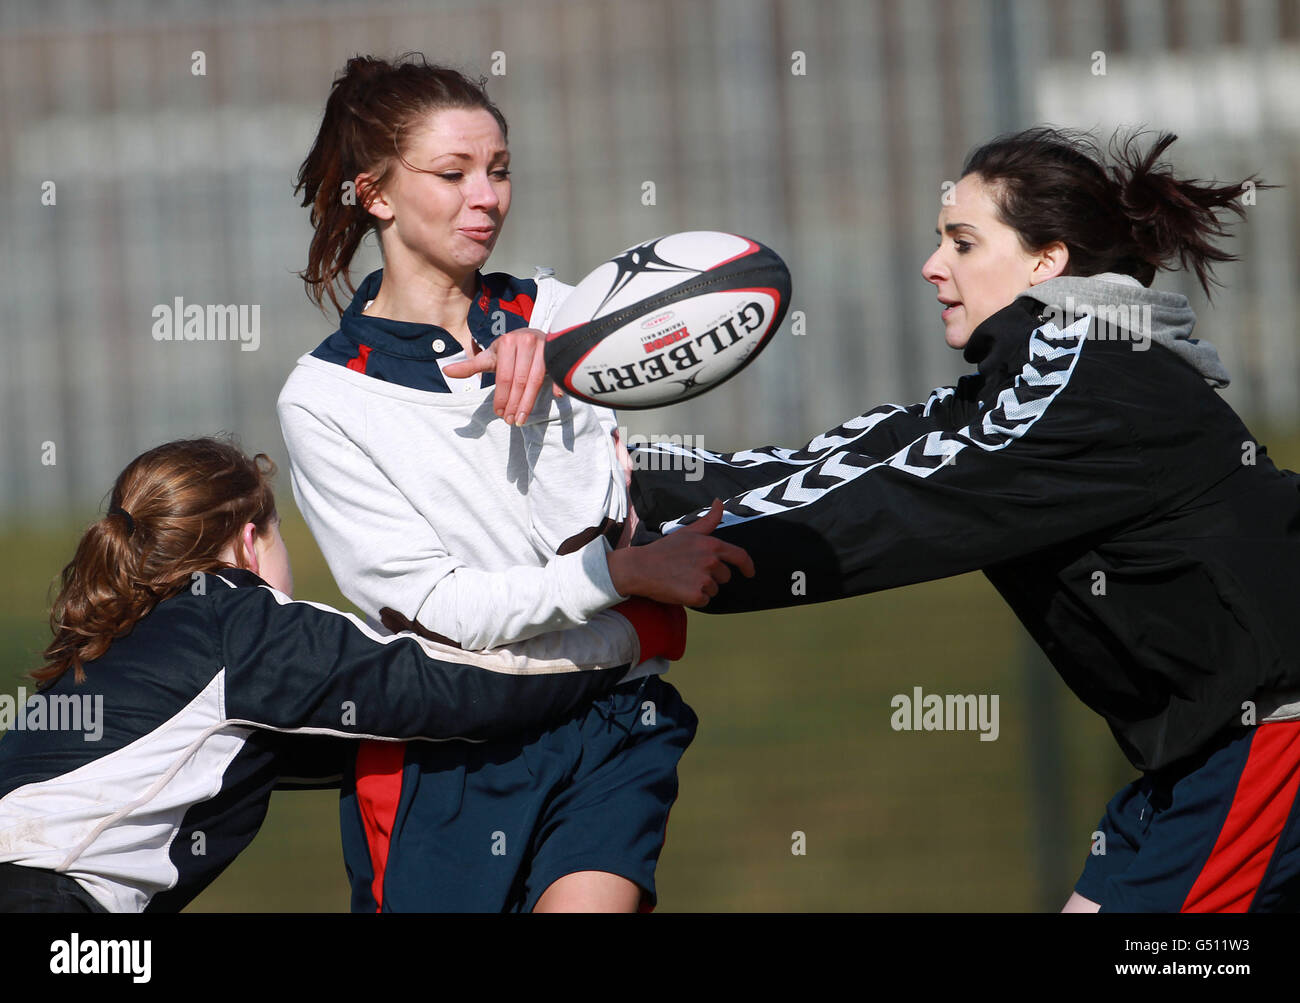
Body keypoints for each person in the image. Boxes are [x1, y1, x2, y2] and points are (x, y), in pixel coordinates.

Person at [563, 127, 1299, 913]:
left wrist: (688, 555)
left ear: (1046, 261)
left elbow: (888, 510)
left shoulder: (1090, 384)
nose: (931, 264)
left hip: (1270, 739)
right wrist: (600, 472)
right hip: (1207, 752)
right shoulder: (1032, 380)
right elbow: (828, 465)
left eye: (962, 241)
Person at [278, 53, 752, 913]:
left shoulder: (569, 315)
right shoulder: (325, 398)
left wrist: (563, 363)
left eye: (498, 171)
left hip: (610, 718)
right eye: (452, 173)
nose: (487, 196)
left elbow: (708, 304)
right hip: (447, 760)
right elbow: (443, 607)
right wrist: (623, 576)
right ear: (375, 194)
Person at [0, 436, 677, 913]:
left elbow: (365, 731)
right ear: (246, 539)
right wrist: (628, 626)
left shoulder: (123, 641)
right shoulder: (236, 618)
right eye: (279, 530)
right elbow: (450, 685)